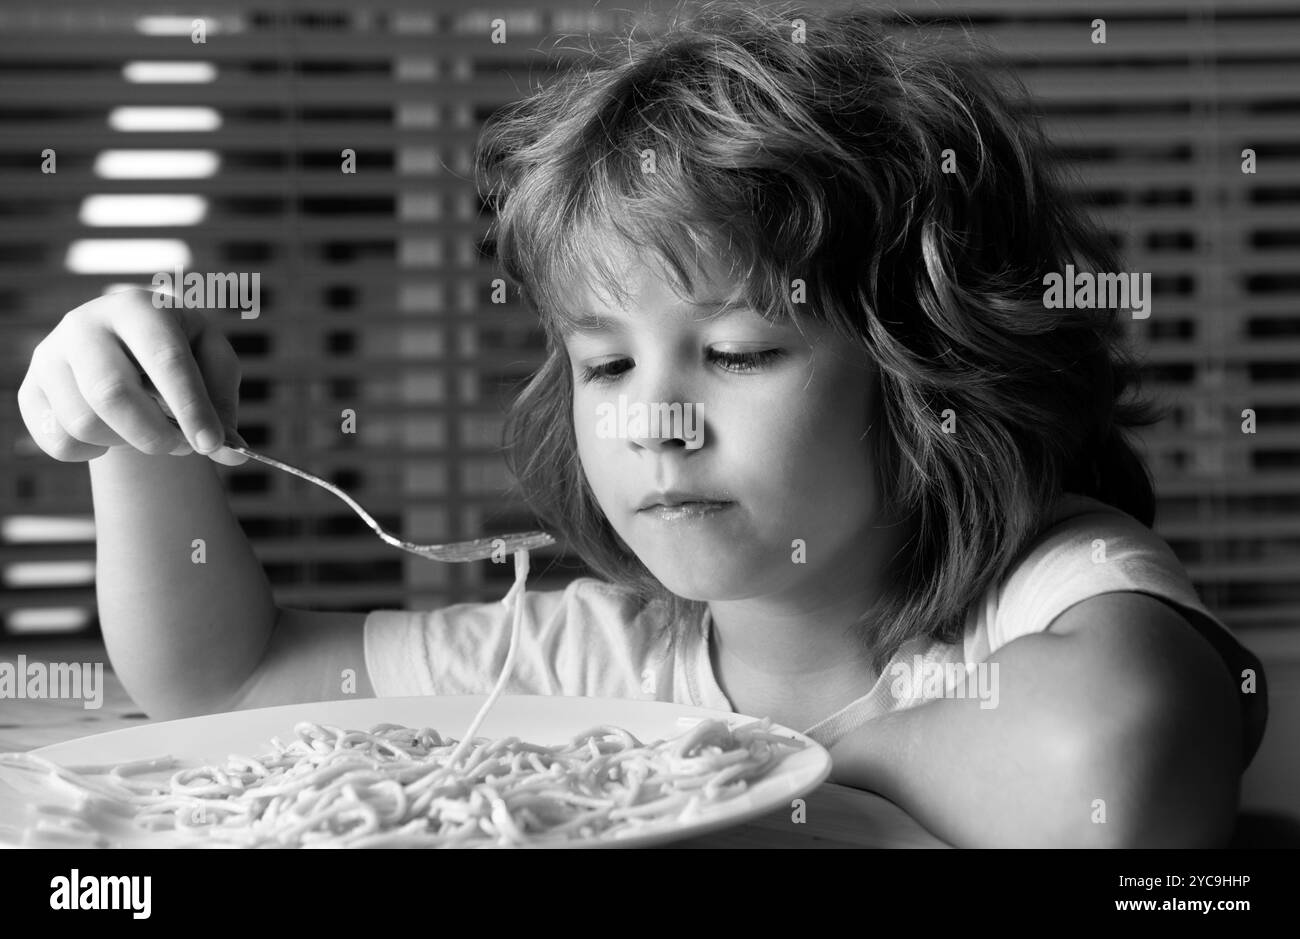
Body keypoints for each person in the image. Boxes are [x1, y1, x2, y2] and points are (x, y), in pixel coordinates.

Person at [16, 1, 1265, 847]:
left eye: (737, 353)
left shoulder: (1054, 583)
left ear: (932, 378)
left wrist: (738, 771)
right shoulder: (590, 658)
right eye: (605, 364)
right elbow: (226, 682)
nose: (657, 418)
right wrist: (140, 441)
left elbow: (1118, 762)